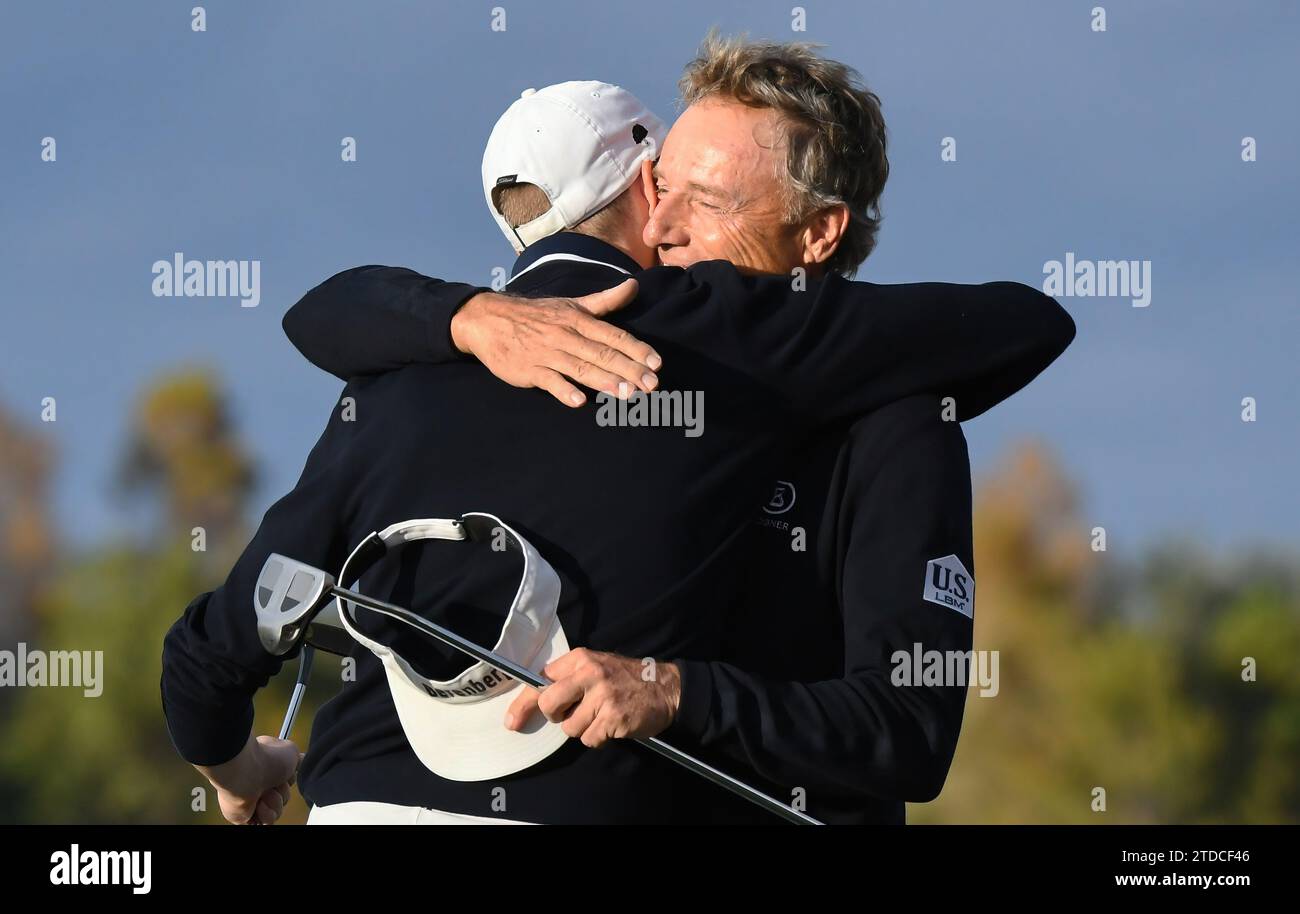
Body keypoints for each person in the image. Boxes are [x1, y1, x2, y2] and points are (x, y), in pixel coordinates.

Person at [164, 45, 1073, 827]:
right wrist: (469, 317)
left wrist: (676, 692)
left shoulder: (895, 422)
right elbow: (326, 313)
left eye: (703, 201)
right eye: (659, 190)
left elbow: (906, 737)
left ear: (820, 234)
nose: (665, 229)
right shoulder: (484, 351)